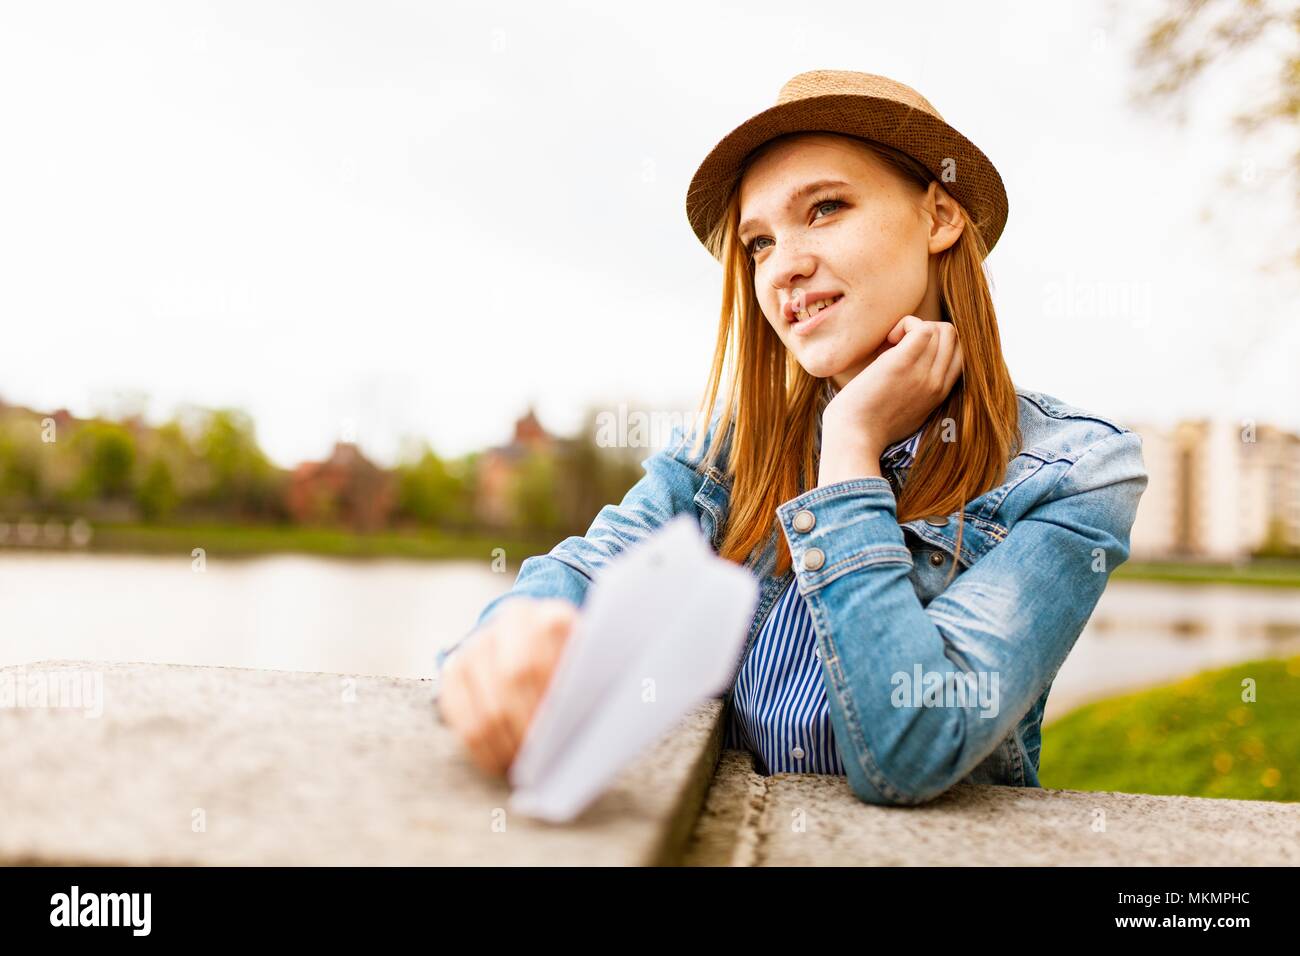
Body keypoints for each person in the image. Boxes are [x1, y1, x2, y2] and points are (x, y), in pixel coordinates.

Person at [432, 70, 1148, 806]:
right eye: (759, 242)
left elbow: (914, 742)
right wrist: (514, 634)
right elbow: (594, 566)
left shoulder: (1075, 471)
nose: (784, 267)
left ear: (939, 215)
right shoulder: (728, 452)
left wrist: (849, 450)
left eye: (826, 208)